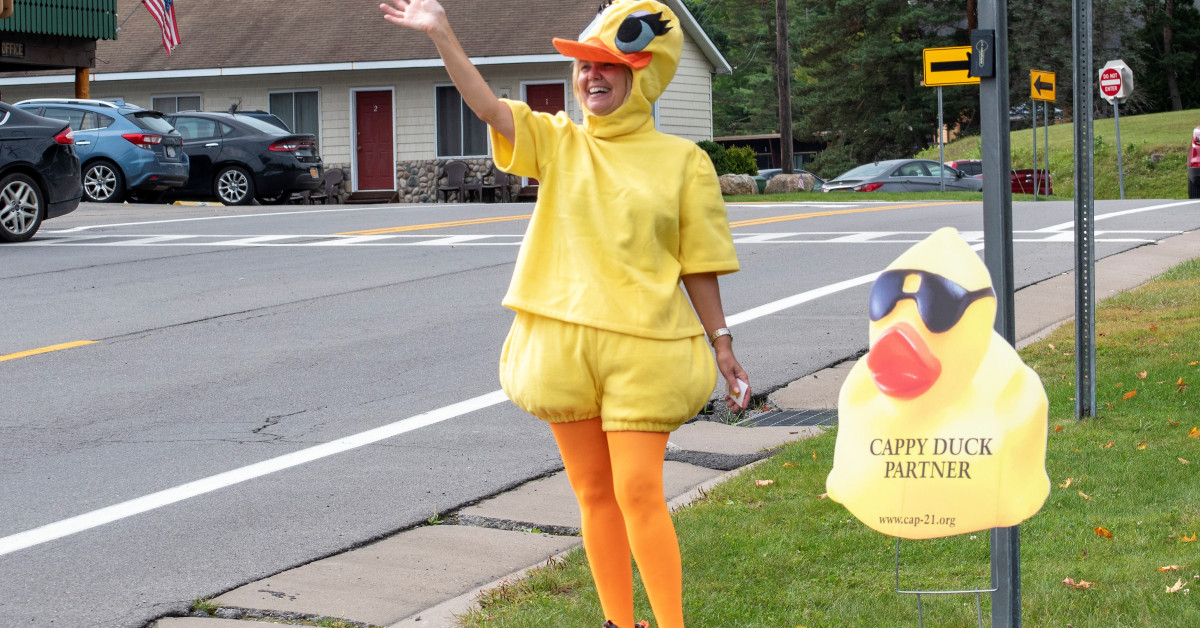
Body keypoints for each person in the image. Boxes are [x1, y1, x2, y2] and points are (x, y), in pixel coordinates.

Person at [381, 1, 750, 626]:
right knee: (593, 493)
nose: (591, 78)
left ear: (646, 74)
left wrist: (723, 343)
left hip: (645, 350)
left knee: (638, 490)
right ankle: (617, 621)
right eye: (584, 67)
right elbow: (489, 109)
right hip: (563, 348)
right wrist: (443, 35)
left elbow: (699, 263)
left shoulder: (684, 162)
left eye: (608, 66)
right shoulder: (558, 142)